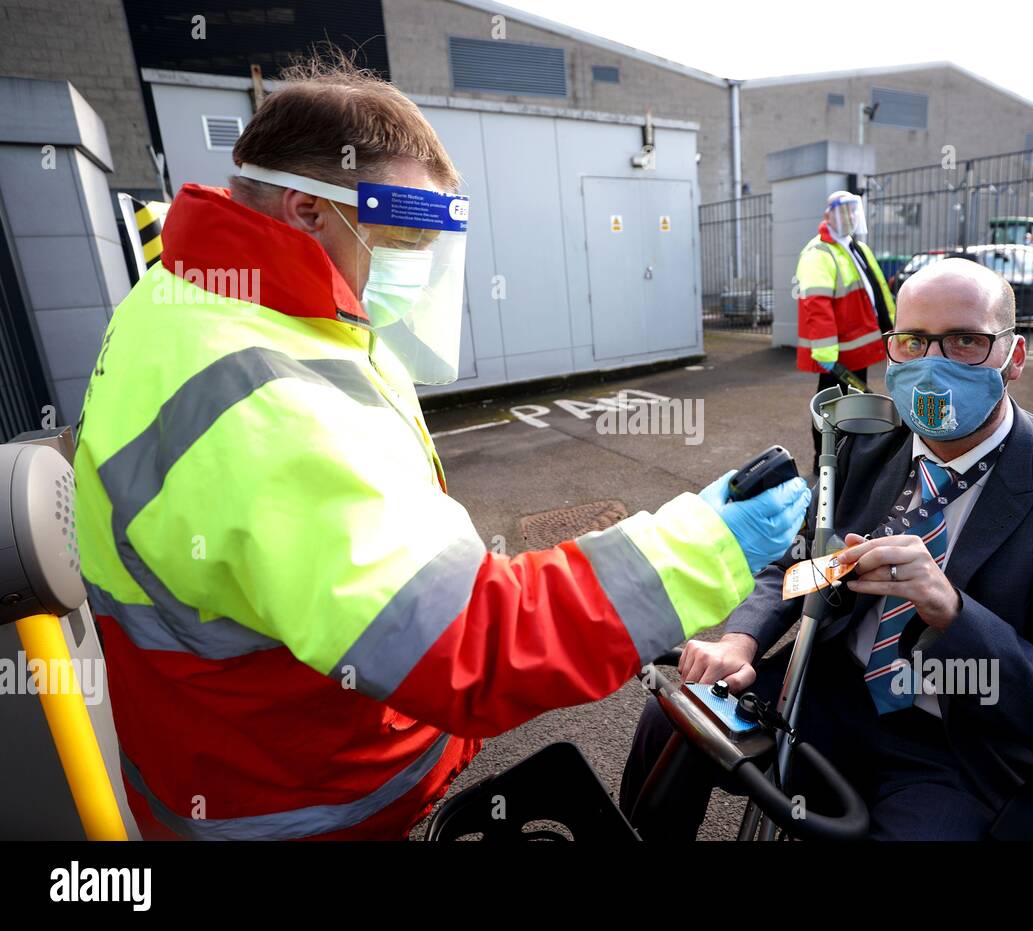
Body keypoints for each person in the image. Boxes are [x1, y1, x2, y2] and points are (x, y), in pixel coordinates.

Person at [72, 56, 810, 840]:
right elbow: (470, 640)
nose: (415, 266)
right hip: (299, 810)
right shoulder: (261, 395)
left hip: (240, 756)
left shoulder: (200, 294)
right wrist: (705, 538)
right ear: (307, 210)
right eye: (398, 237)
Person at [620, 258, 1033, 840]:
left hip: (959, 748)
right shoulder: (867, 445)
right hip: (830, 690)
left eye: (964, 341)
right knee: (674, 721)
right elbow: (807, 562)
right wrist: (741, 638)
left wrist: (952, 613)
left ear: (1014, 358)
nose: (932, 363)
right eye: (912, 341)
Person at [795, 191, 894, 451]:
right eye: (843, 211)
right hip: (837, 352)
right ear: (828, 215)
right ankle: (824, 458)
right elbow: (817, 305)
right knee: (830, 406)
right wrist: (827, 353)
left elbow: (878, 290)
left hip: (856, 345)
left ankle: (849, 454)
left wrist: (893, 327)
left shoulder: (856, 248)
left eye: (853, 211)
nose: (849, 217)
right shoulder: (820, 252)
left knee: (853, 404)